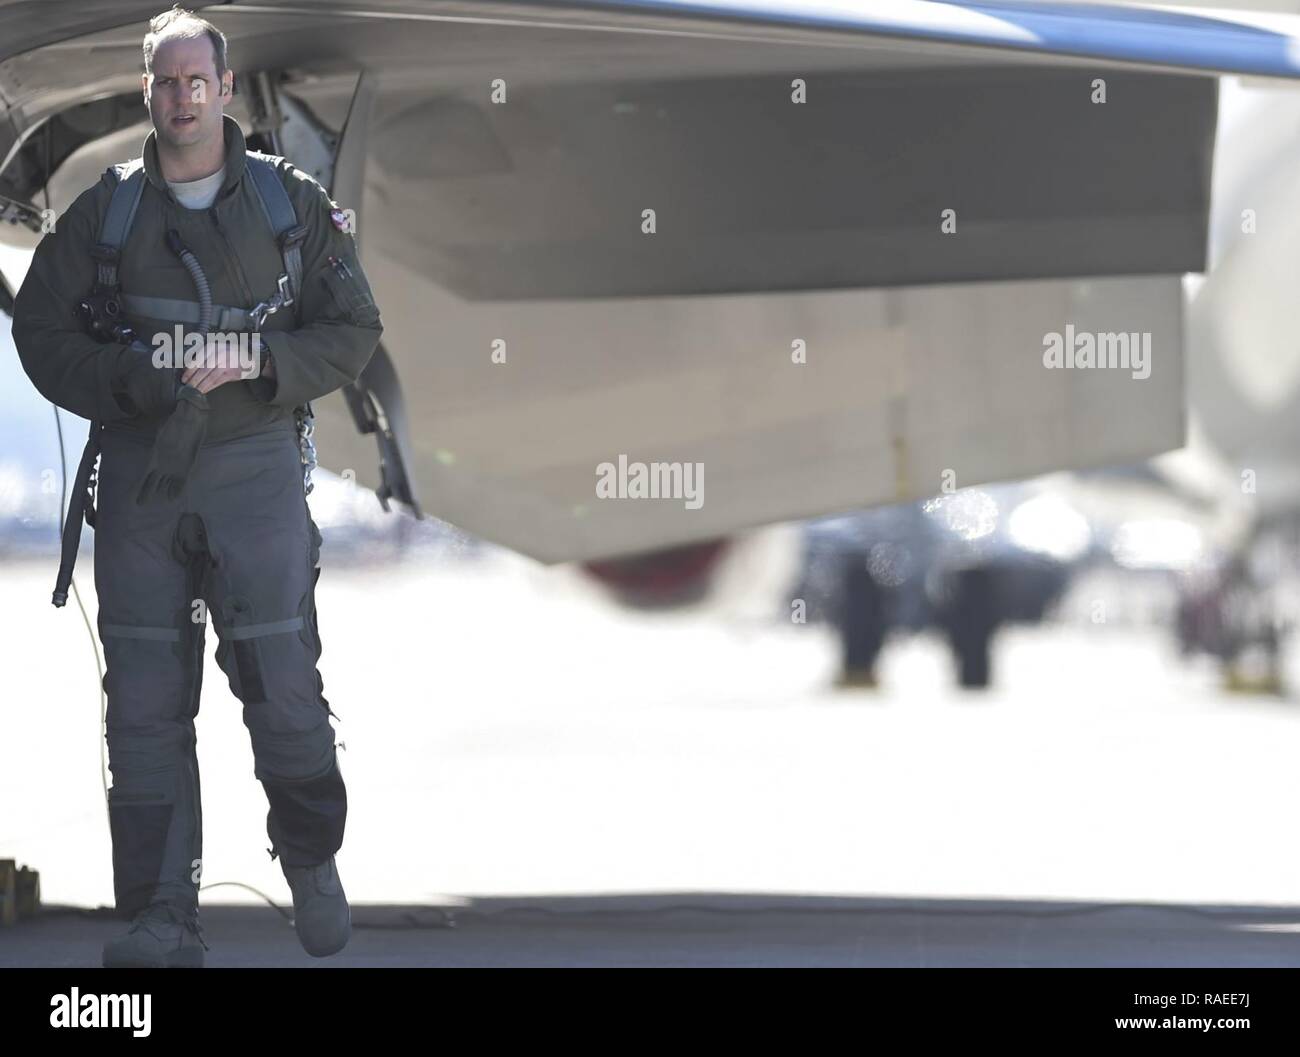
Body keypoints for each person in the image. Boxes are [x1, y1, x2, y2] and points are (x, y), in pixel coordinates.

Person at [12, 5, 383, 967]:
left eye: (197, 82)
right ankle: (161, 914)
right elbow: (42, 332)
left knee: (285, 685)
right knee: (140, 703)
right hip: (142, 478)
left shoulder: (288, 207)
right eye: (164, 83)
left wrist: (260, 360)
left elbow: (351, 332)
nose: (182, 98)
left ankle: (310, 857)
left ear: (222, 89)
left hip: (253, 475)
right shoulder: (110, 211)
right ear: (148, 93)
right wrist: (130, 380)